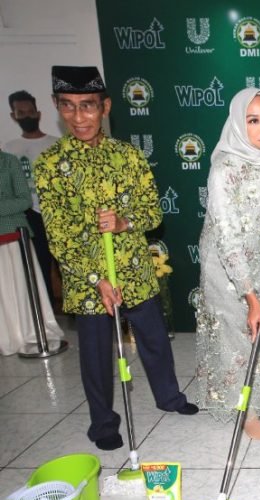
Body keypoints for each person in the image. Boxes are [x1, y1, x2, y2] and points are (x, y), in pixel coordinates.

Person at [35, 66, 198, 452]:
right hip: (87, 281)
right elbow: (59, 237)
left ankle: (169, 397)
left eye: (87, 106)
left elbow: (153, 214)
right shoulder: (51, 165)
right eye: (69, 107)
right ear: (58, 108)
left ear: (104, 107)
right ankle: (103, 423)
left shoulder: (127, 156)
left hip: (135, 270)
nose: (79, 117)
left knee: (155, 339)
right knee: (95, 355)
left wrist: (125, 222)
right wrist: (96, 280)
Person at [194, 88, 260, 440]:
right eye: (253, 121)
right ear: (238, 124)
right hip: (226, 262)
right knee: (238, 333)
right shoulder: (225, 170)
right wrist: (249, 295)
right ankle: (245, 411)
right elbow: (227, 238)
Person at [0, 149, 64, 355]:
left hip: (12, 234)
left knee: (18, 288)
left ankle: (26, 334)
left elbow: (25, 200)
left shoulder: (9, 161)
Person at [5, 90, 59, 303]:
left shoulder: (56, 143)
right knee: (39, 266)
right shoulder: (9, 149)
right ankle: (47, 318)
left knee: (67, 264)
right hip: (30, 215)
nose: (27, 117)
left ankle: (78, 314)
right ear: (13, 116)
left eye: (30, 112)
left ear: (38, 113)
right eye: (21, 113)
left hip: (58, 211)